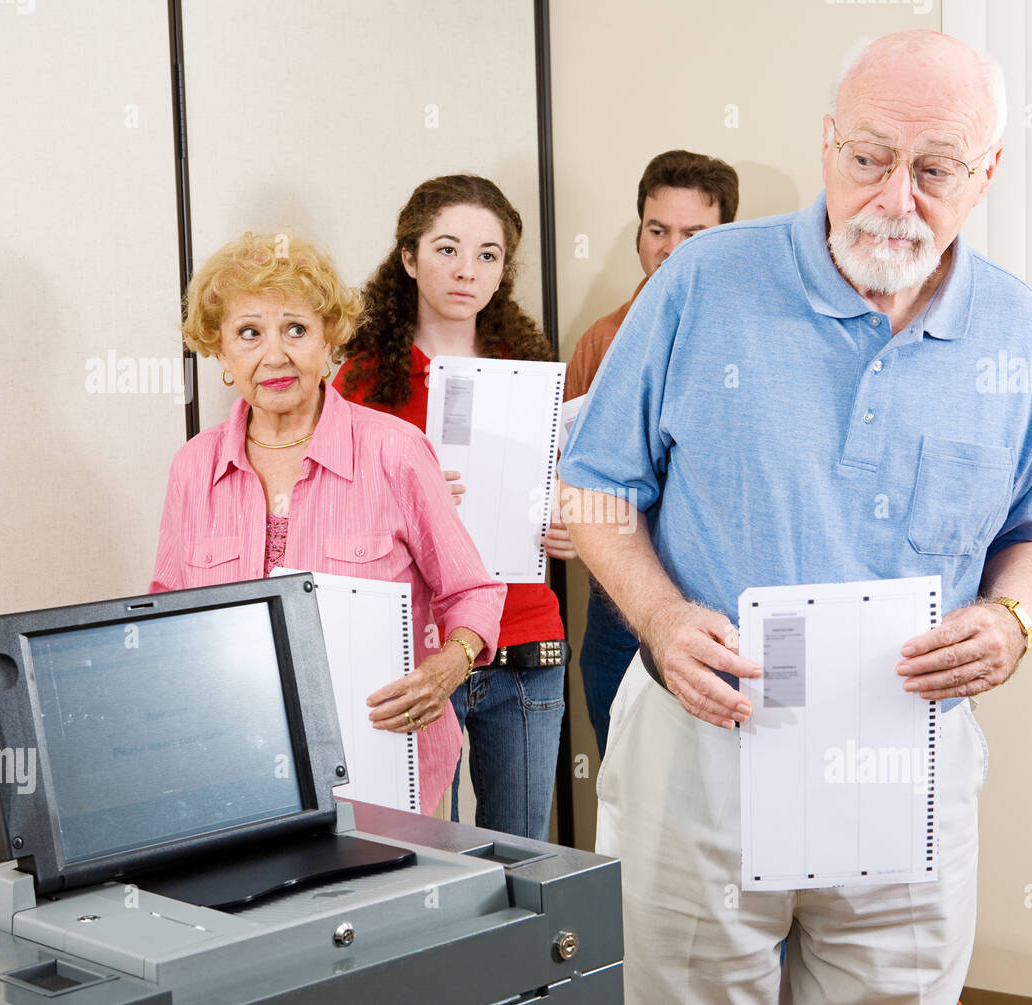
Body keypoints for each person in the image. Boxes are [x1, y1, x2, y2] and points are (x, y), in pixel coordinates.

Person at [558, 29, 1032, 1005]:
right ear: (828, 141)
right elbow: (593, 487)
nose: (894, 199)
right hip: (704, 742)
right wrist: (660, 617)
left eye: (933, 170)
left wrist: (1014, 620)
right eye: (869, 158)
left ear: (988, 171)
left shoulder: (1014, 330)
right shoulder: (703, 282)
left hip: (904, 753)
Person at [150, 231, 505, 820]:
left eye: (296, 329)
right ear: (220, 353)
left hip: (387, 758)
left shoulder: (394, 449)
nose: (275, 355)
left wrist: (447, 669)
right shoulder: (193, 467)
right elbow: (167, 617)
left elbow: (472, 591)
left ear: (329, 339)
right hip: (243, 762)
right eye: (248, 333)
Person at [335, 175, 568, 842]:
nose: (468, 270)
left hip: (524, 637)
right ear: (408, 258)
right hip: (416, 652)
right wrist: (410, 500)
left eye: (488, 255)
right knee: (419, 859)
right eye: (447, 249)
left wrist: (569, 525)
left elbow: (565, 485)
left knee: (520, 859)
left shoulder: (527, 364)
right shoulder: (360, 380)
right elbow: (337, 521)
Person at [564, 150, 739, 758]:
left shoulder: (752, 343)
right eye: (656, 230)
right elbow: (570, 473)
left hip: (721, 612)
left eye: (694, 234)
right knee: (624, 792)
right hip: (619, 612)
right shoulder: (602, 341)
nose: (671, 249)